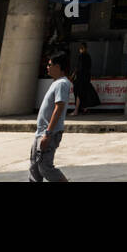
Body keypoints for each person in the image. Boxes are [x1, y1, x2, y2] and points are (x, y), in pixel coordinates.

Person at [30, 51, 71, 182]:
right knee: (34, 168)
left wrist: (48, 133)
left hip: (49, 133)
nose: (47, 67)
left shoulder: (62, 83)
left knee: (45, 167)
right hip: (41, 132)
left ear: (58, 67)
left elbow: (59, 108)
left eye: (50, 65)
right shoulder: (56, 82)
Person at [72, 42, 100, 115]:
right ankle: (84, 108)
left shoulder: (81, 56)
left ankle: (76, 110)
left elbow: (78, 67)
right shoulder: (88, 56)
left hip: (81, 77)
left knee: (78, 93)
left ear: (81, 49)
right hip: (86, 77)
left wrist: (74, 75)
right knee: (84, 93)